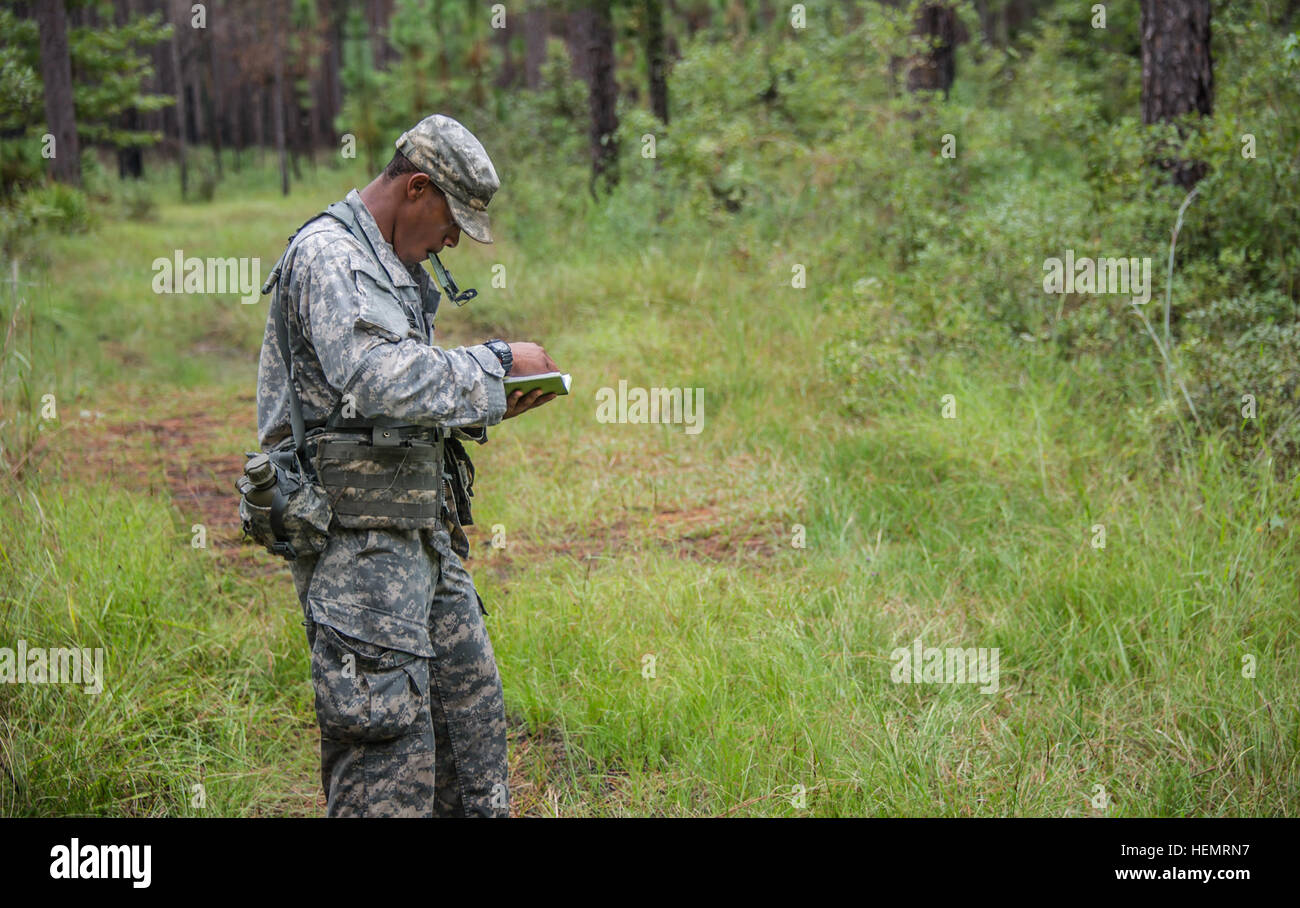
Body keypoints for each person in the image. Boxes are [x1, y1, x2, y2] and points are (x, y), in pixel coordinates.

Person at [255, 113, 559, 817]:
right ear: (417, 189)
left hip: (422, 537)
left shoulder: (392, 261)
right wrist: (495, 366)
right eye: (452, 222)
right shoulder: (331, 257)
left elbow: (401, 397)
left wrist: (495, 399)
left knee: (471, 742)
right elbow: (374, 377)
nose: (453, 240)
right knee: (385, 774)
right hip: (359, 559)